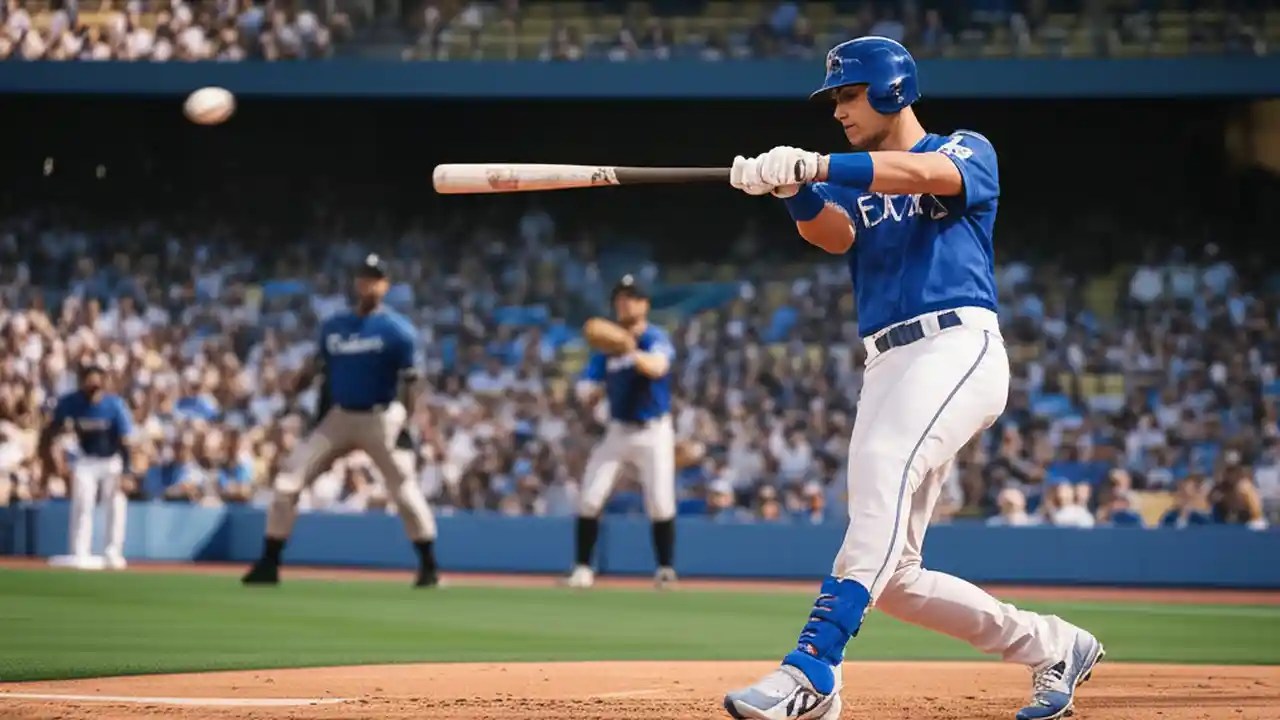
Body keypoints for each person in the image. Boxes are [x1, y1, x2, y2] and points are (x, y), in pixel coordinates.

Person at [722, 37, 1103, 720]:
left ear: (892, 90)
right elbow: (835, 235)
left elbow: (924, 177)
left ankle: (813, 668)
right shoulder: (850, 176)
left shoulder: (964, 148)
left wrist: (816, 165)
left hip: (957, 345)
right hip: (886, 362)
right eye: (835, 99)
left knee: (882, 466)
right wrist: (793, 191)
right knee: (894, 575)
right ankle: (1053, 645)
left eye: (849, 94)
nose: (838, 110)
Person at [241, 254, 441, 587]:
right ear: (356, 282)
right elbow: (315, 367)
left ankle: (429, 567)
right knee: (287, 482)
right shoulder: (334, 326)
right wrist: (293, 387)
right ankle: (269, 563)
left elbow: (412, 382)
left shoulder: (398, 330)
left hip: (381, 417)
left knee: (405, 489)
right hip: (340, 416)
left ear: (385, 286)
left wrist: (406, 423)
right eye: (364, 277)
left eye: (375, 278)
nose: (368, 284)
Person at [565, 275, 679, 590]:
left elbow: (658, 367)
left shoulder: (654, 337)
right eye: (620, 298)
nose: (624, 303)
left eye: (631, 298)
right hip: (618, 430)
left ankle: (665, 569)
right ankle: (582, 568)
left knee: (660, 502)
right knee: (590, 497)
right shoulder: (607, 349)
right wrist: (591, 391)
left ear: (645, 305)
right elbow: (585, 389)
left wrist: (630, 350)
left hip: (653, 430)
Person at [40, 363, 133, 570]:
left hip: (112, 460)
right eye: (89, 384)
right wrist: (52, 459)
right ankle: (80, 552)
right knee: (82, 502)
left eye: (97, 385)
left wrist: (127, 472)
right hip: (86, 459)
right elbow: (52, 430)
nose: (94, 389)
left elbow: (125, 441)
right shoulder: (71, 402)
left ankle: (113, 553)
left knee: (116, 504)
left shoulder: (115, 405)